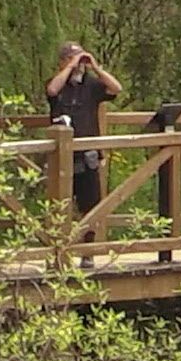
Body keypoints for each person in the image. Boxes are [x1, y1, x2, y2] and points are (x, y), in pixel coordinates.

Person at [46, 42, 123, 269]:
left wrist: (96, 67)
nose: (78, 63)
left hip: (87, 154)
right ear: (62, 61)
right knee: (59, 206)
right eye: (72, 58)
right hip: (60, 157)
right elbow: (51, 90)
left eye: (79, 58)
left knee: (90, 205)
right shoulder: (58, 84)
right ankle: (58, 254)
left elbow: (116, 89)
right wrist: (69, 67)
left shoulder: (91, 85)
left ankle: (87, 253)